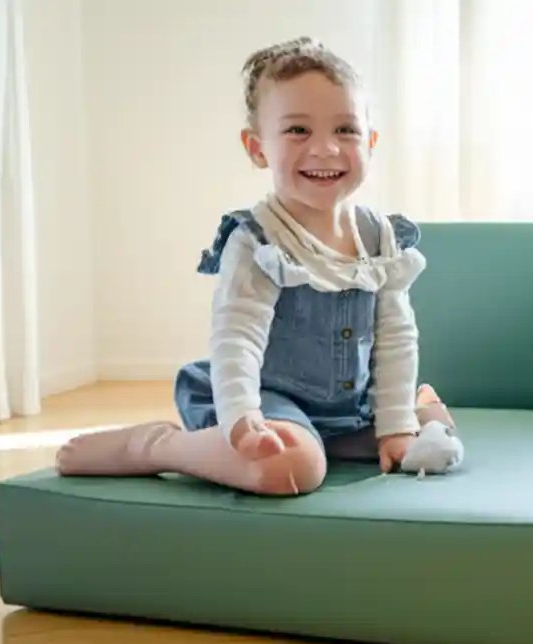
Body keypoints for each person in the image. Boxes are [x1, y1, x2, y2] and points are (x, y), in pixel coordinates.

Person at [55, 37, 462, 494]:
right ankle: (158, 446)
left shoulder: (380, 235)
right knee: (291, 470)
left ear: (370, 141)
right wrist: (241, 416)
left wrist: (394, 426)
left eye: (345, 129)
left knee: (425, 423)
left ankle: (361, 427)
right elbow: (237, 338)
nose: (326, 148)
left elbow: (395, 334)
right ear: (257, 148)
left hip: (348, 406)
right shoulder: (258, 240)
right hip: (268, 398)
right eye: (297, 131)